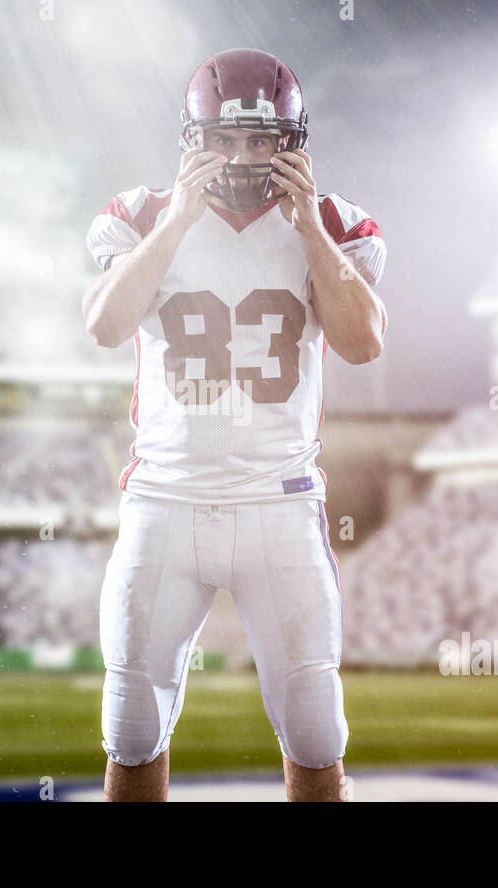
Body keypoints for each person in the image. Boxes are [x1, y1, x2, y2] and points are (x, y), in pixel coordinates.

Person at [82, 48, 388, 802]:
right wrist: (180, 221)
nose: (242, 157)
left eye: (260, 140)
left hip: (278, 503)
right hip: (165, 499)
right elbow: (106, 324)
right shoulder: (144, 215)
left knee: (318, 733)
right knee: (131, 728)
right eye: (223, 139)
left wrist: (311, 232)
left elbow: (361, 342)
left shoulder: (335, 222)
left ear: (292, 141)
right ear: (192, 139)